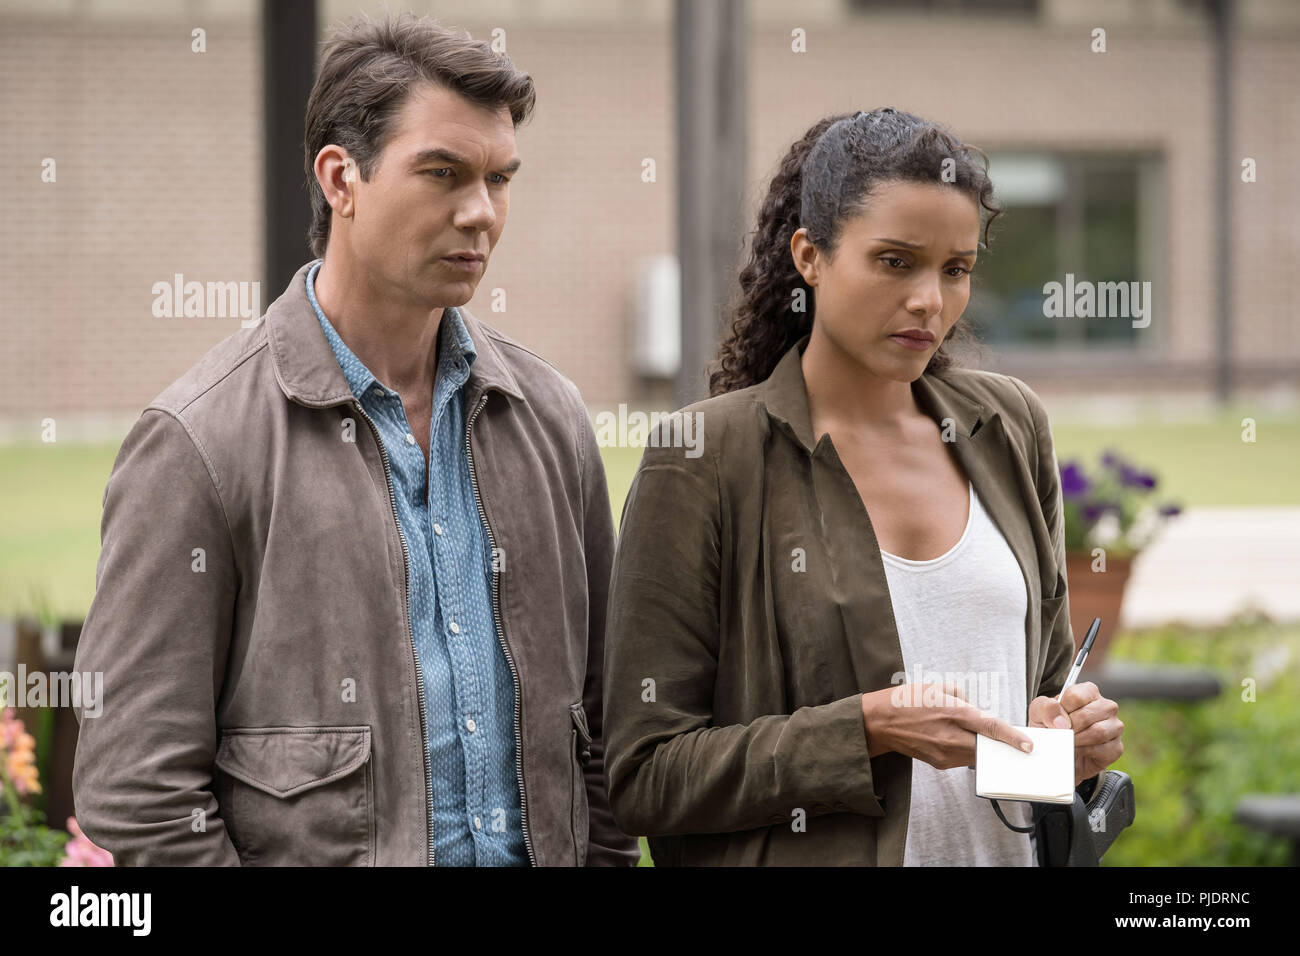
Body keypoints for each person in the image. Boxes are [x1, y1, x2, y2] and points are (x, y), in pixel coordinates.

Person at [71, 12, 638, 867]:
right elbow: (135, 787)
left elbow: (607, 728)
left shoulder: (551, 418)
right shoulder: (198, 443)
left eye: (500, 178)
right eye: (442, 173)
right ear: (341, 177)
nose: (480, 213)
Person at [602, 108, 1124, 866]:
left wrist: (1066, 746)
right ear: (810, 256)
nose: (929, 302)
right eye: (895, 262)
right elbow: (646, 777)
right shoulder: (705, 458)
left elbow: (1030, 710)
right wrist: (867, 730)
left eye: (956, 269)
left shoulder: (1010, 427)